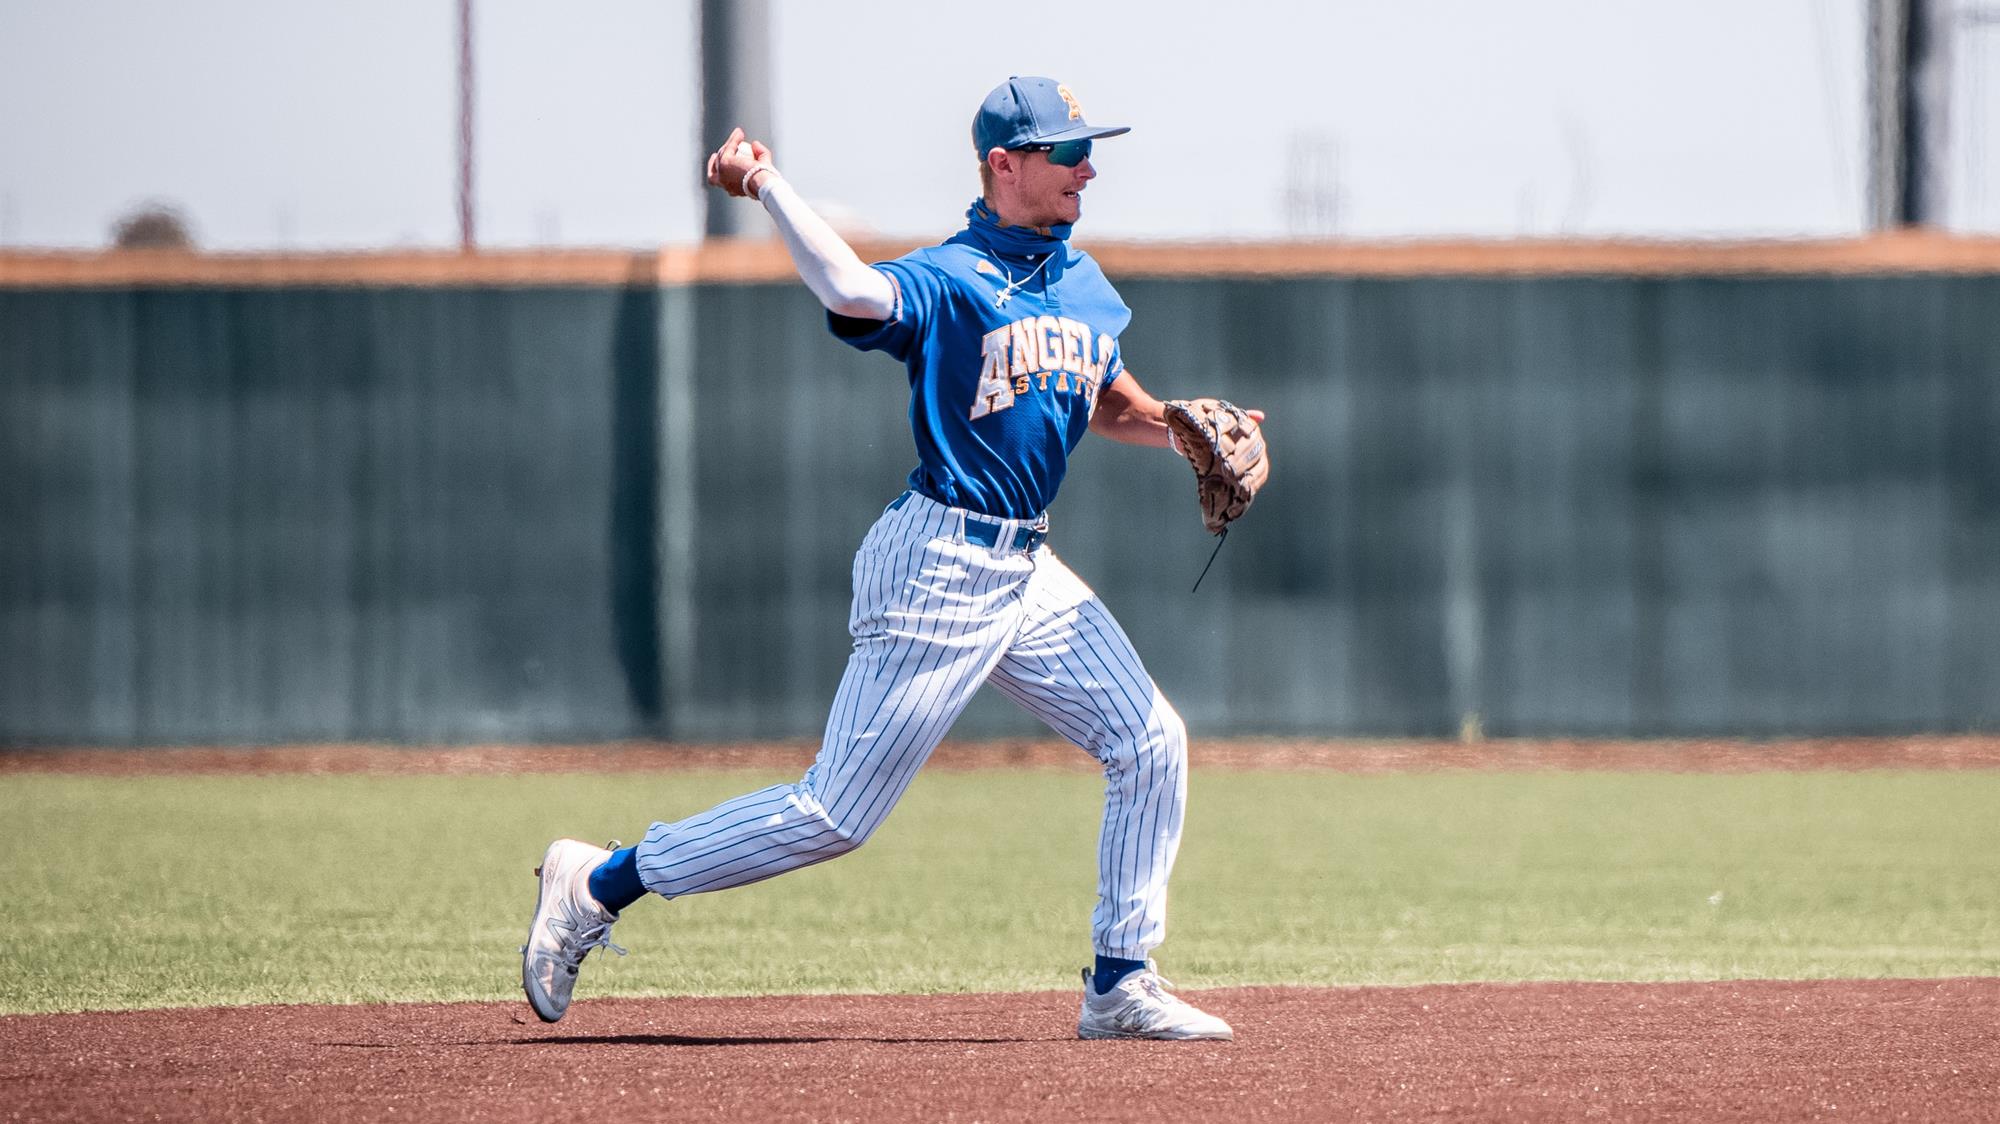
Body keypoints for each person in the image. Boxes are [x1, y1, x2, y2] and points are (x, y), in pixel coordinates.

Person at [523, 76, 1259, 1041]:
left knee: (1150, 741)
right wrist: (769, 186)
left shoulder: (1083, 284)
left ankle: (1121, 981)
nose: (1088, 169)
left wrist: (1182, 430)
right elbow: (850, 289)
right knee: (833, 814)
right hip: (939, 564)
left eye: (1090, 151)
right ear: (1004, 165)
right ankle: (599, 881)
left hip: (1025, 568)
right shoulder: (949, 277)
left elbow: (1110, 402)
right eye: (1068, 153)